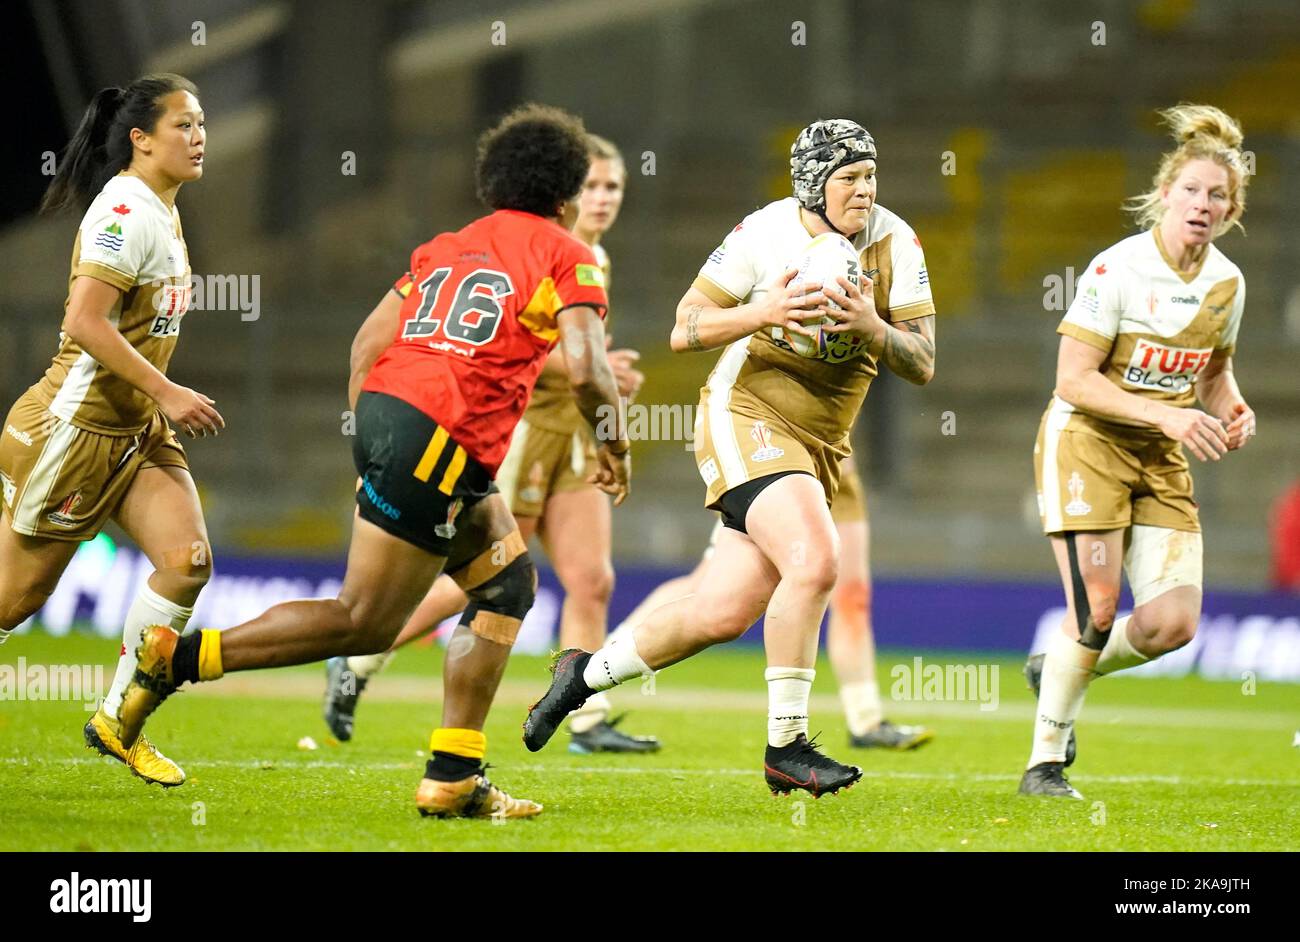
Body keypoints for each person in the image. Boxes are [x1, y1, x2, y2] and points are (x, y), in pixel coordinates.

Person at [113, 104, 631, 819]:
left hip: (397, 418)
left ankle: (454, 775)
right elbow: (586, 368)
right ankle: (175, 658)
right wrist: (614, 442)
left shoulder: (448, 244)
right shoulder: (568, 254)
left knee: (507, 585)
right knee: (363, 622)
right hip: (443, 438)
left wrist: (377, 443)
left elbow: (365, 346)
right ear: (568, 194)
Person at [524, 118, 936, 797]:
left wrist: (870, 325)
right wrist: (764, 311)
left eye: (870, 176)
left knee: (721, 611)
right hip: (744, 414)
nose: (865, 191)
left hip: (823, 441)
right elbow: (684, 327)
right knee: (817, 560)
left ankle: (581, 676)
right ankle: (787, 747)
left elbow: (923, 361)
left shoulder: (897, 241)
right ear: (812, 182)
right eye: (848, 178)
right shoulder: (763, 234)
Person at [323, 136, 659, 754]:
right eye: (594, 187)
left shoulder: (591, 256)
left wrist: (601, 382)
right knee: (494, 572)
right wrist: (603, 374)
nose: (604, 199)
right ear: (565, 192)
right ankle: (363, 659)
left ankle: (586, 713)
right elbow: (520, 347)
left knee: (592, 580)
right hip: (528, 428)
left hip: (575, 435)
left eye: (615, 188)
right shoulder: (549, 251)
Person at [1021, 104, 1255, 799]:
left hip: (1159, 454)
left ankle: (1061, 665)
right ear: (1164, 194)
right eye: (1191, 191)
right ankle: (1045, 764)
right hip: (1086, 442)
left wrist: (1231, 407)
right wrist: (1170, 416)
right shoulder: (1115, 270)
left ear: (1232, 207)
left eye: (1218, 195)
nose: (1203, 205)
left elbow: (1211, 372)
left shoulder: (1228, 285)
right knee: (1095, 609)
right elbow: (1072, 380)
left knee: (1171, 625)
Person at [0, 74, 221, 788]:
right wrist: (167, 390)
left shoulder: (161, 206)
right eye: (182, 125)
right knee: (14, 602)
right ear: (141, 138)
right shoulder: (123, 211)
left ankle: (116, 721)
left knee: (186, 562)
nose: (197, 137)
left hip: (133, 429)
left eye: (201, 123)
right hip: (75, 429)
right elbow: (83, 322)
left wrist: (154, 403)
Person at [608, 453, 934, 750]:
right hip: (775, 466)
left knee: (853, 596)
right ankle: (595, 666)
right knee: (704, 587)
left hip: (836, 466)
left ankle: (866, 720)